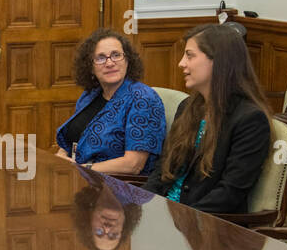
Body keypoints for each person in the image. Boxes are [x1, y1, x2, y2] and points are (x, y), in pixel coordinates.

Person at [143, 23, 271, 212]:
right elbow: (163, 167)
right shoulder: (188, 107)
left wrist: (181, 219)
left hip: (206, 226)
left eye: (189, 55)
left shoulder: (250, 120)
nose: (181, 63)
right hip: (167, 213)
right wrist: (140, 204)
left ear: (218, 61)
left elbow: (229, 193)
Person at [55, 28, 166, 176]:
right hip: (81, 177)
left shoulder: (143, 99)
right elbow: (74, 136)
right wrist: (61, 157)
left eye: (116, 55)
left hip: (122, 188)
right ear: (91, 67)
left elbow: (133, 165)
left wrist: (81, 168)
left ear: (127, 60)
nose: (109, 63)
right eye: (100, 58)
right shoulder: (91, 95)